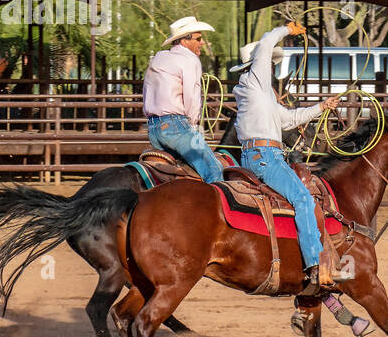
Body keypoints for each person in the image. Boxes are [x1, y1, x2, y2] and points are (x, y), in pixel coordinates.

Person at [233, 23, 347, 287]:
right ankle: (315, 263)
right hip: (267, 155)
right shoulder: (257, 80)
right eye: (269, 62)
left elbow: (289, 119)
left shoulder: (258, 93)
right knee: (304, 200)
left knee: (300, 199)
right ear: (259, 64)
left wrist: (322, 106)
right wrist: (286, 29)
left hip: (259, 154)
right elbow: (265, 45)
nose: (271, 66)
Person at [143, 16, 222, 184]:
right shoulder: (190, 59)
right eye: (198, 38)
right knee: (214, 170)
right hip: (176, 127)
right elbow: (192, 97)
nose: (202, 42)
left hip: (153, 129)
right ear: (185, 41)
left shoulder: (158, 57)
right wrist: (194, 127)